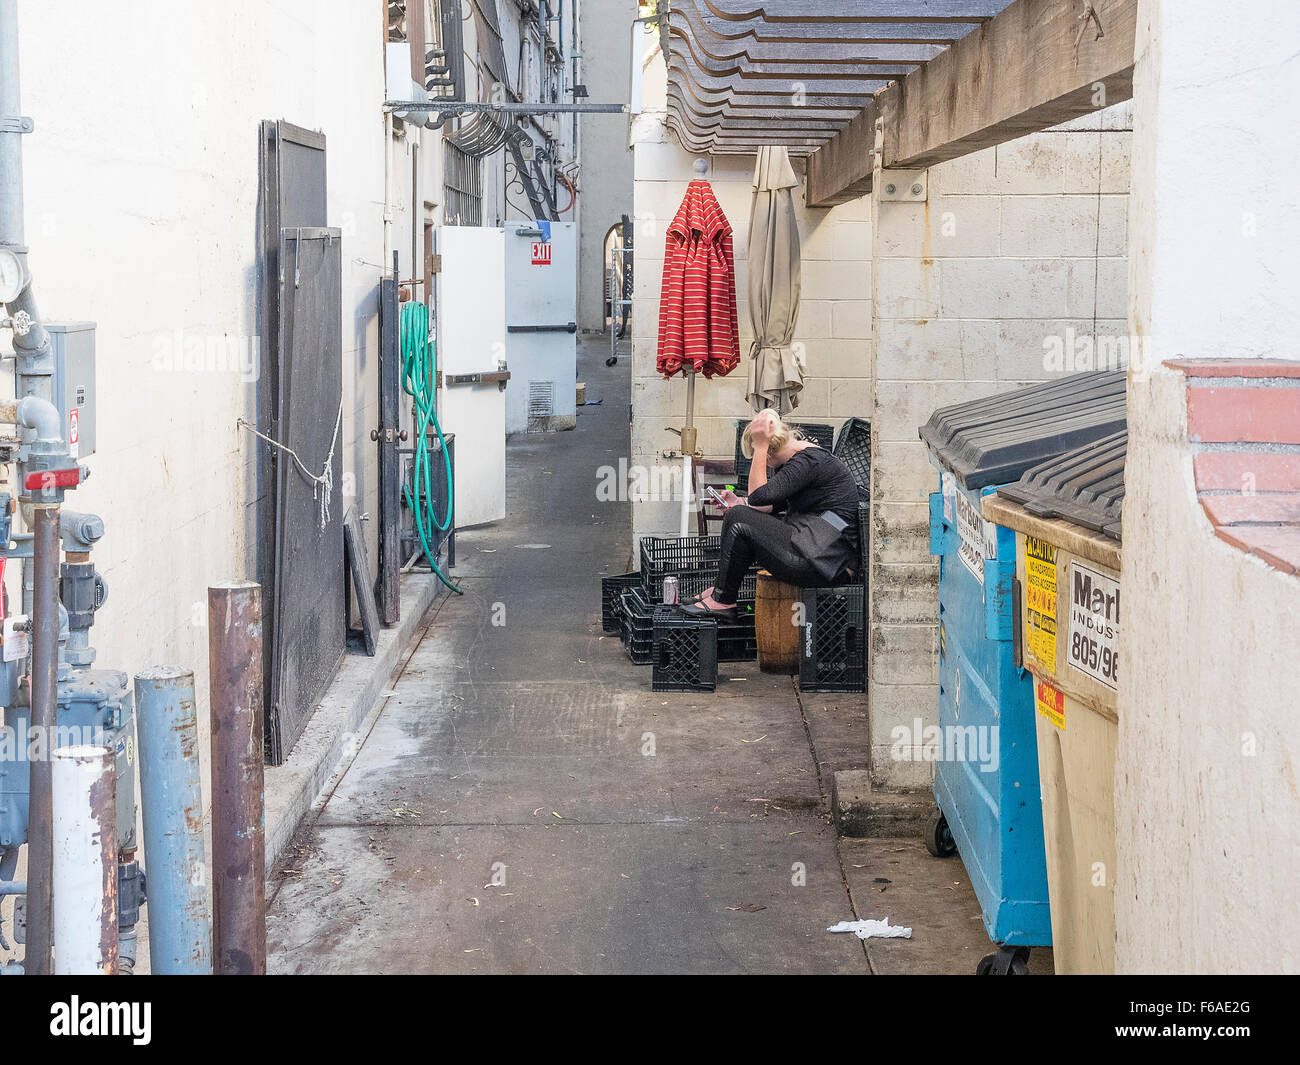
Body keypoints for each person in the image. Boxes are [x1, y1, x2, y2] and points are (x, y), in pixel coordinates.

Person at [682, 409, 862, 619]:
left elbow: (759, 496)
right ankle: (721, 592)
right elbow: (771, 504)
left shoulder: (808, 461)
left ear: (767, 454)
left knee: (738, 518)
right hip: (818, 555)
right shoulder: (802, 460)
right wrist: (740, 501)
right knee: (739, 516)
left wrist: (759, 446)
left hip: (827, 566)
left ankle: (723, 600)